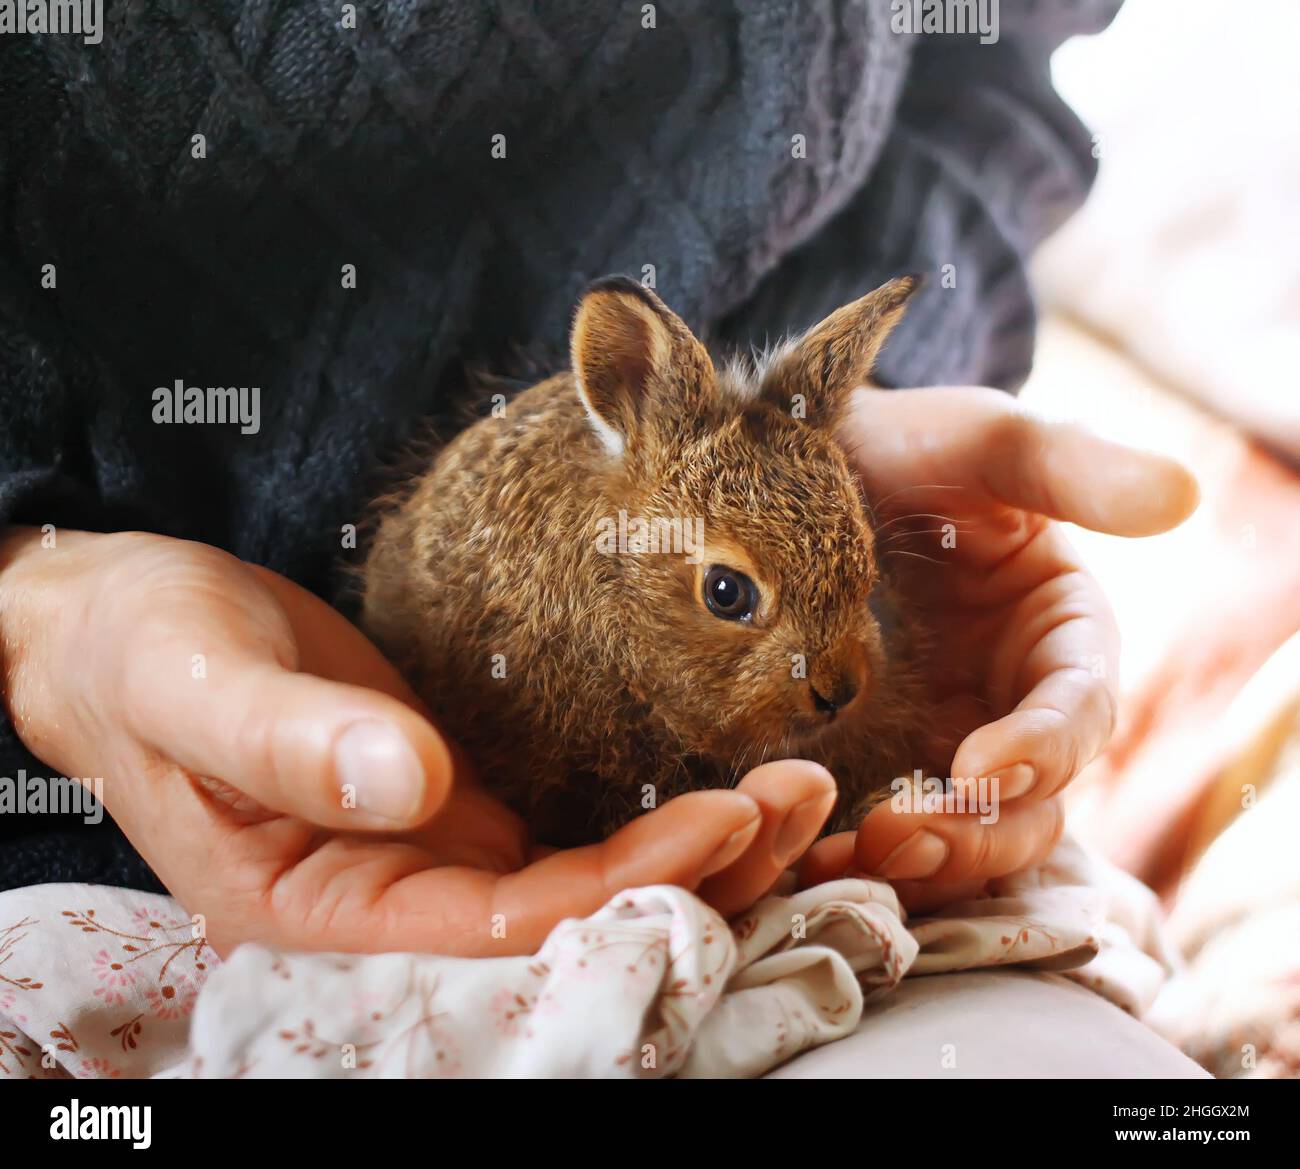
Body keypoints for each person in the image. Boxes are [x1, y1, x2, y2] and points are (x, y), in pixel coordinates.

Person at [0, 2, 1195, 961]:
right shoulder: (555, 606)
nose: (838, 672)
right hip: (99, 865)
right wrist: (32, 608)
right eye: (732, 596)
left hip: (800, 882)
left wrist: (867, 400)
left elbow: (985, 64)